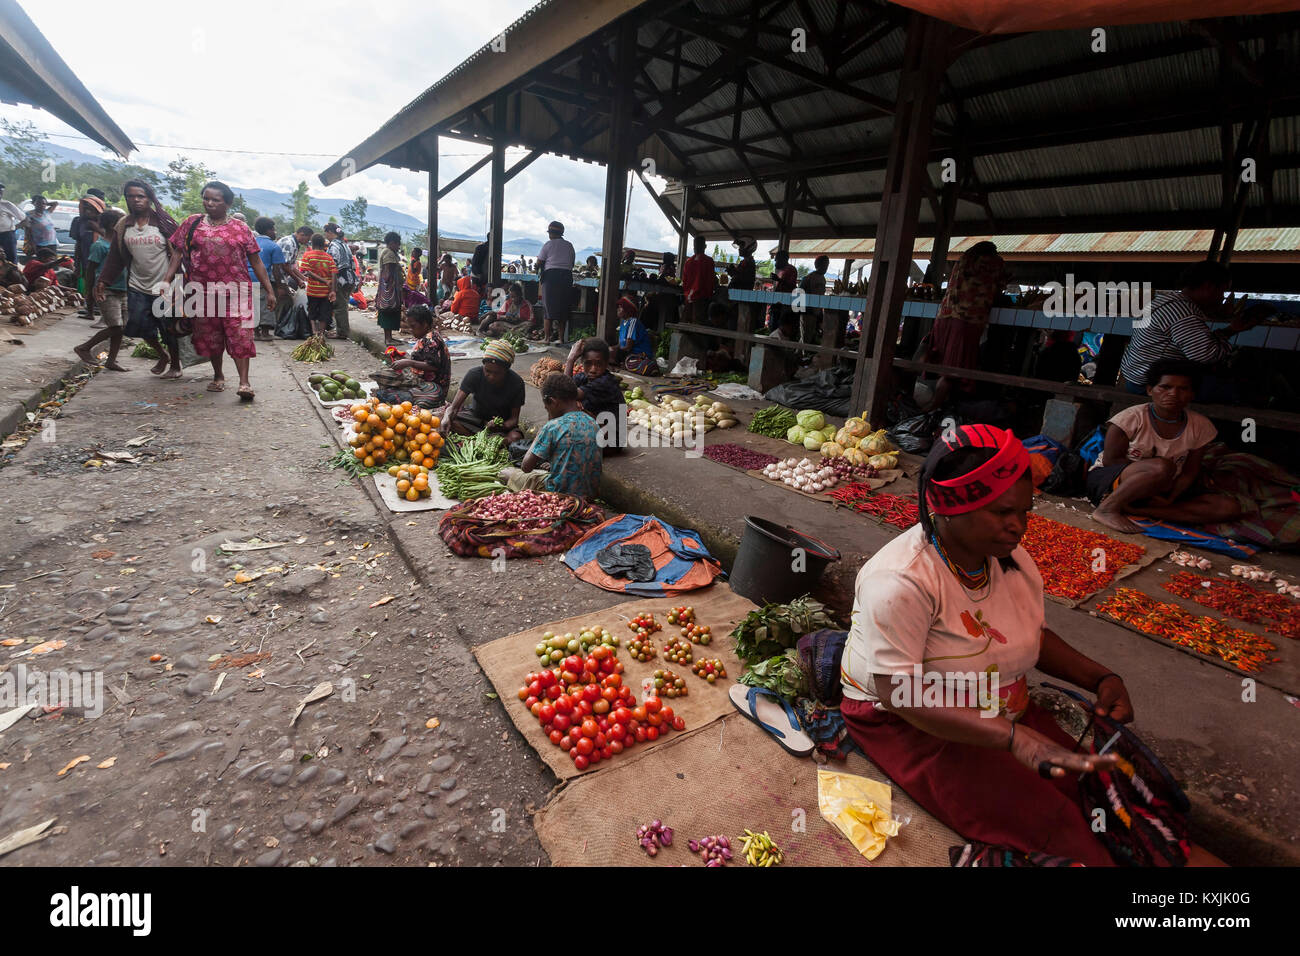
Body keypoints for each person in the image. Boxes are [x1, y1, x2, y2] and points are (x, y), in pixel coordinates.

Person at [839, 424, 1220, 866]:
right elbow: (899, 694)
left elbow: (1027, 633)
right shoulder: (901, 581)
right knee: (1061, 833)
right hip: (913, 722)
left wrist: (1101, 676)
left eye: (1024, 510)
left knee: (1106, 799)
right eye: (1001, 513)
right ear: (948, 509)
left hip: (996, 706)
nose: (1018, 527)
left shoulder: (1010, 560)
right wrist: (1014, 738)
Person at [1088, 360, 1241, 533]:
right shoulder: (1129, 419)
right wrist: (1151, 482)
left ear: (1192, 394)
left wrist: (1170, 497)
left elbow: (1190, 471)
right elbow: (1111, 462)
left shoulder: (1201, 426)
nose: (1174, 394)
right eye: (1165, 387)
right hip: (1113, 483)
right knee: (1163, 466)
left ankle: (1139, 511)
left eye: (1183, 389)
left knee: (1229, 507)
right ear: (1150, 390)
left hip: (1166, 488)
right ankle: (1107, 508)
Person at [161, 181, 275, 400]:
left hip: (237, 292)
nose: (210, 203)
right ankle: (218, 375)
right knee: (212, 337)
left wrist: (269, 290)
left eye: (216, 200)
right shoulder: (191, 223)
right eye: (206, 198)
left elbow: (256, 261)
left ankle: (244, 383)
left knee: (241, 336)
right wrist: (167, 281)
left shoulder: (241, 228)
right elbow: (177, 253)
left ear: (228, 203)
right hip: (202, 292)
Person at [1117, 260, 1258, 403]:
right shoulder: (1183, 312)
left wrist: (1230, 330)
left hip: (1137, 379)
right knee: (1242, 392)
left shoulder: (1167, 302)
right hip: (1152, 384)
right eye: (1222, 291)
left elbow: (1198, 346)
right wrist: (1230, 334)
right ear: (1208, 286)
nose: (1222, 297)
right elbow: (1206, 356)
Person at [96, 180, 183, 379]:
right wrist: (104, 280)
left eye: (140, 196)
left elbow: (180, 252)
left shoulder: (163, 222)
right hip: (137, 284)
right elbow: (115, 257)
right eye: (131, 196)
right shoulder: (123, 225)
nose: (135, 200)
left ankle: (175, 365)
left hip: (165, 285)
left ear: (149, 198)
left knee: (168, 327)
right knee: (138, 325)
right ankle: (163, 355)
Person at [925, 241, 1009, 410]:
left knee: (936, 358)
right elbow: (998, 287)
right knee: (953, 369)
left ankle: (931, 402)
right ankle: (932, 408)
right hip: (967, 321)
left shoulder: (962, 259)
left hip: (945, 317)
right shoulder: (993, 262)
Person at [518, 372, 602, 499]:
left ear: (552, 401)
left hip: (558, 497)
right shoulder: (593, 422)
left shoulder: (553, 427)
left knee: (508, 474)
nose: (548, 411)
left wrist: (542, 432)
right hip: (589, 497)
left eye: (547, 408)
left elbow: (526, 466)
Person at [74, 208, 129, 371]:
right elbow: (90, 270)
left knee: (122, 328)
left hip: (123, 289)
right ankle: (84, 347)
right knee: (116, 327)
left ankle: (111, 360)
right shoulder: (100, 245)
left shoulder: (121, 244)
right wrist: (89, 291)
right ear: (114, 225)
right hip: (107, 290)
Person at [440, 340, 525, 443]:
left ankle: (478, 439)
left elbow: (514, 419)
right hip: (475, 418)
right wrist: (446, 418)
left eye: (497, 373)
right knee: (442, 420)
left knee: (515, 438)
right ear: (483, 366)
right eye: (488, 371)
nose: (492, 377)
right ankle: (486, 441)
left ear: (507, 370)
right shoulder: (474, 374)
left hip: (500, 427)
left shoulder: (517, 383)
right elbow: (453, 408)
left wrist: (502, 426)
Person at [376, 304, 451, 409]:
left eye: (413, 326)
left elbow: (434, 366)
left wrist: (408, 362)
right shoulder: (427, 337)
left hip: (432, 389)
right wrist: (401, 358)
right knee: (387, 384)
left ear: (424, 324)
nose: (410, 330)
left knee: (385, 394)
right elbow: (420, 359)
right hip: (422, 384)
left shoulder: (431, 340)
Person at [564, 336, 623, 429]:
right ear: (582, 362)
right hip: (599, 429)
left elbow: (565, 393)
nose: (593, 369)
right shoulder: (583, 377)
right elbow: (562, 388)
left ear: (606, 364)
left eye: (599, 364)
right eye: (588, 363)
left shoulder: (606, 382)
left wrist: (571, 359)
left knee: (567, 404)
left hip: (612, 439)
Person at [249, 217, 290, 341]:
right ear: (269, 230)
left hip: (248, 278)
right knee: (267, 305)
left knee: (253, 305)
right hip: (262, 279)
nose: (275, 233)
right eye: (274, 230)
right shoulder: (273, 246)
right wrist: (279, 286)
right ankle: (265, 333)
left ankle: (255, 333)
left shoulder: (251, 243)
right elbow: (276, 270)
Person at [535, 220, 575, 344]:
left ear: (551, 233)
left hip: (551, 277)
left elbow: (539, 262)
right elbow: (572, 264)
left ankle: (547, 338)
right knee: (563, 308)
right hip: (566, 277)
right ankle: (561, 339)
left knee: (548, 308)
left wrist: (537, 268)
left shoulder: (548, 245)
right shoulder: (569, 245)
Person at [299, 234, 337, 336]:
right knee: (324, 312)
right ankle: (321, 333)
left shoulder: (307, 255)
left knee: (312, 311)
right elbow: (334, 274)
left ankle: (314, 331)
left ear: (312, 243)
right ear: (323, 244)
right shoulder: (329, 257)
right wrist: (333, 290)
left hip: (312, 291)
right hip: (326, 292)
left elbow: (304, 271)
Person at [323, 223, 356, 340]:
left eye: (326, 232)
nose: (325, 235)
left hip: (340, 279)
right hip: (349, 278)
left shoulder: (334, 246)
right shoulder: (344, 245)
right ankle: (342, 330)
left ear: (331, 232)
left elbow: (333, 266)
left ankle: (342, 332)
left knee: (339, 306)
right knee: (343, 305)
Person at [375, 232, 404, 346]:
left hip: (390, 288)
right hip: (390, 289)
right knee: (389, 311)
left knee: (391, 312)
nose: (398, 247)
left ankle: (390, 337)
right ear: (392, 243)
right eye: (397, 244)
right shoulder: (389, 253)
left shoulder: (389, 252)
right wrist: (394, 287)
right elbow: (388, 273)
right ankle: (388, 339)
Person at [614, 296, 655, 374]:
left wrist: (614, 351)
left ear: (628, 310)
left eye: (621, 307)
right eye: (618, 307)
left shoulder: (633, 321)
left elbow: (628, 347)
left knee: (633, 364)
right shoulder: (623, 323)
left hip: (640, 355)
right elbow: (620, 345)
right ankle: (625, 364)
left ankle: (628, 364)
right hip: (629, 355)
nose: (618, 309)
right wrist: (609, 349)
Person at [681, 235, 716, 325]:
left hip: (689, 297)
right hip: (701, 298)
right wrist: (709, 295)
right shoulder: (708, 261)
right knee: (698, 325)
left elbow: (684, 281)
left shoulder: (688, 262)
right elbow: (710, 281)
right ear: (704, 246)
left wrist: (687, 294)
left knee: (685, 324)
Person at [797, 254, 830, 344]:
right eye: (824, 265)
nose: (826, 267)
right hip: (808, 312)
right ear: (817, 265)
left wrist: (820, 313)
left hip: (816, 312)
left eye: (827, 265)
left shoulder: (823, 279)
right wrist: (803, 310)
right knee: (805, 337)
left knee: (808, 337)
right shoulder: (808, 278)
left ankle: (798, 354)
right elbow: (798, 294)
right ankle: (800, 355)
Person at [0, 183, 23, 265]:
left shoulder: (7, 205)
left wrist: (15, 227)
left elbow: (24, 218)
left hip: (7, 236)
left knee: (11, 260)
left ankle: (13, 276)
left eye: (1, 192)